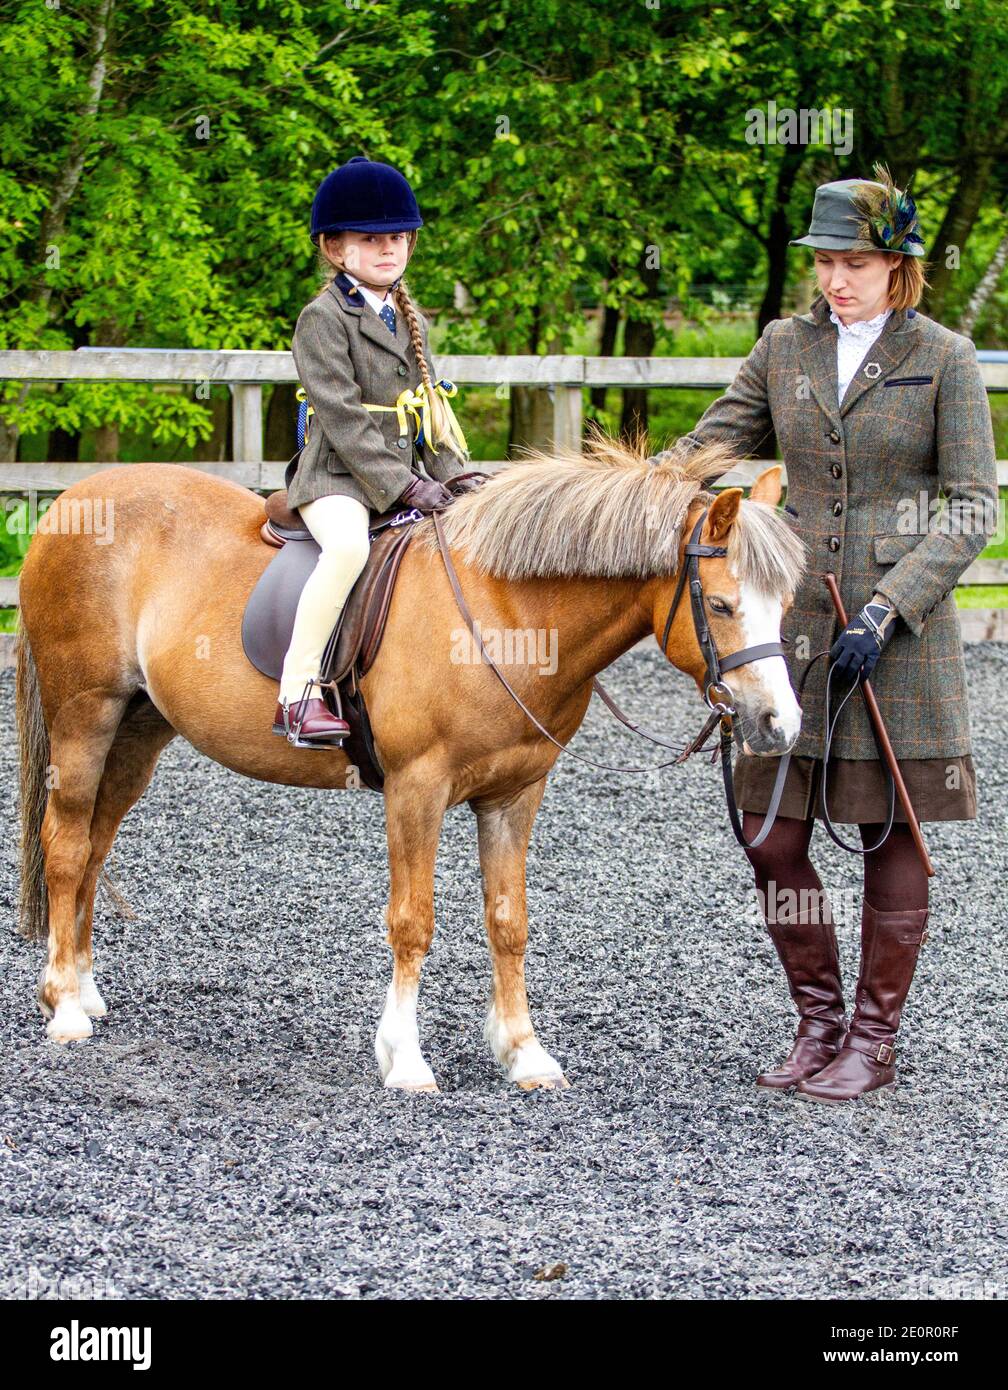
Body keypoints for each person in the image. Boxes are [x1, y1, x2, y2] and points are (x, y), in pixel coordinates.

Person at [670, 166, 998, 1101]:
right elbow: (710, 445)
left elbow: (973, 505)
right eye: (825, 262)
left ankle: (873, 1042)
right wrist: (615, 491)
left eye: (855, 262)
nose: (836, 280)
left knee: (889, 828)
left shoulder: (947, 356)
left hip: (898, 637)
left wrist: (893, 604)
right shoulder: (784, 345)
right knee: (767, 829)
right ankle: (816, 1024)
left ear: (900, 265)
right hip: (795, 634)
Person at [275, 155, 476, 746]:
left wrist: (455, 479)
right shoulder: (322, 319)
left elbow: (431, 412)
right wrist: (405, 486)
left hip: (398, 472)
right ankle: (298, 692)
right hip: (335, 477)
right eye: (371, 239)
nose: (388, 248)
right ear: (336, 249)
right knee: (346, 550)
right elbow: (339, 417)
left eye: (396, 237)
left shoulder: (409, 318)